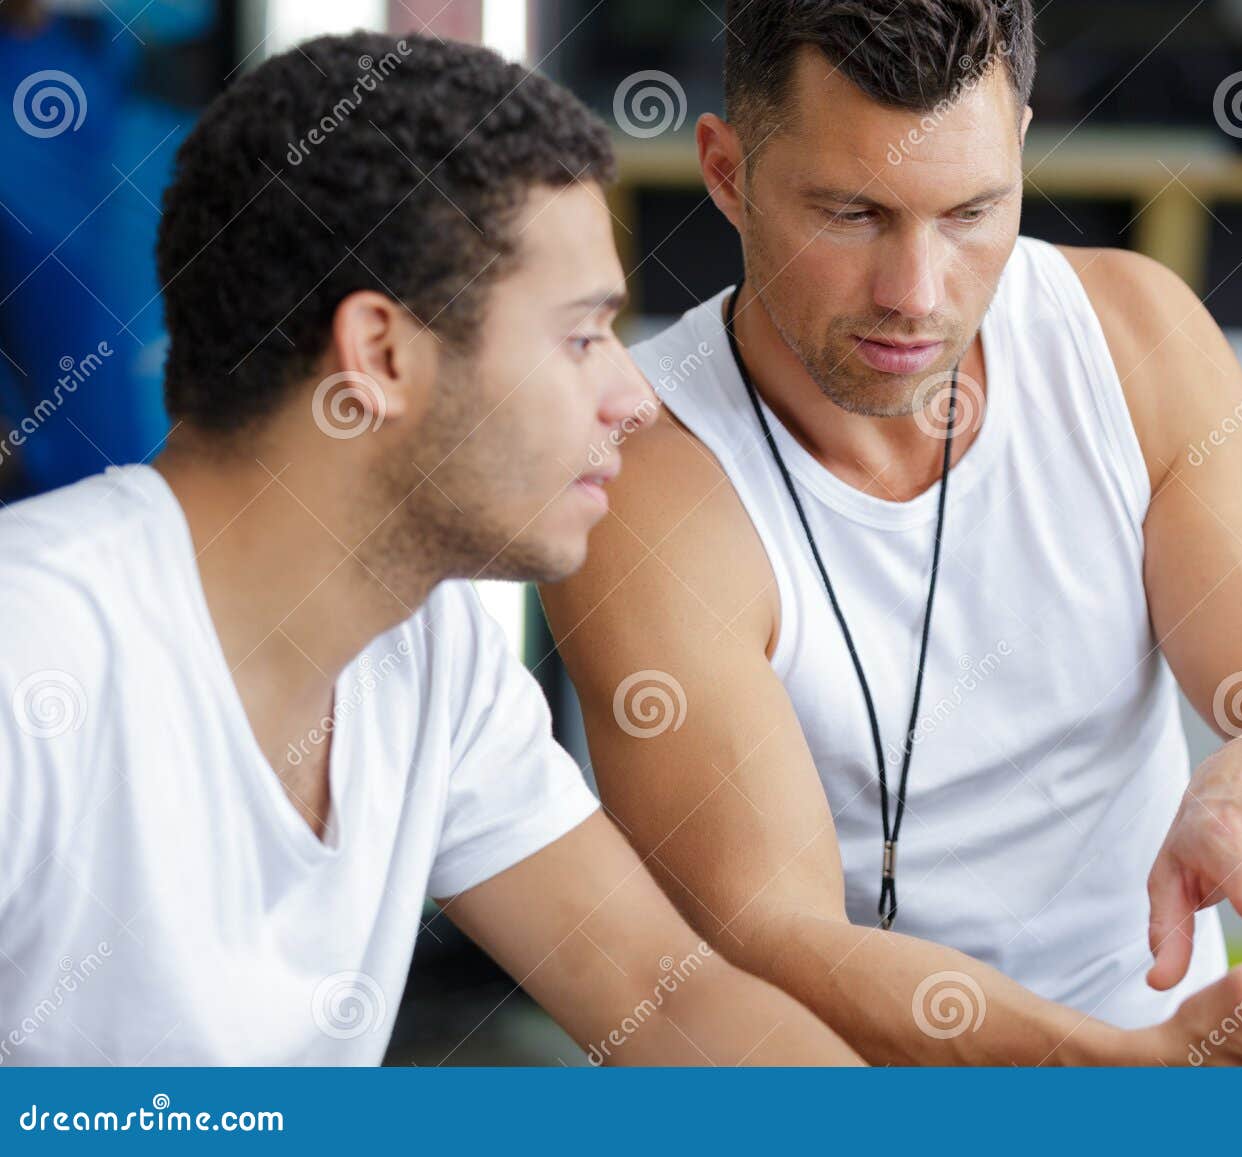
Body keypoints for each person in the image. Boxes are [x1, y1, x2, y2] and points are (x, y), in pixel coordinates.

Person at [540, 0, 1242, 1065]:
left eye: (970, 212)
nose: (915, 296)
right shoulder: (637, 467)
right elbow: (770, 938)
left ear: (1018, 149)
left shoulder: (1132, 336)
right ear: (728, 173)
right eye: (852, 214)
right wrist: (1135, 1067)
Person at [0, 32, 859, 1067]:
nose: (633, 397)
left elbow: (664, 998)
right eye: (581, 336)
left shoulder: (429, 648)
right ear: (380, 354)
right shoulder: (29, 654)